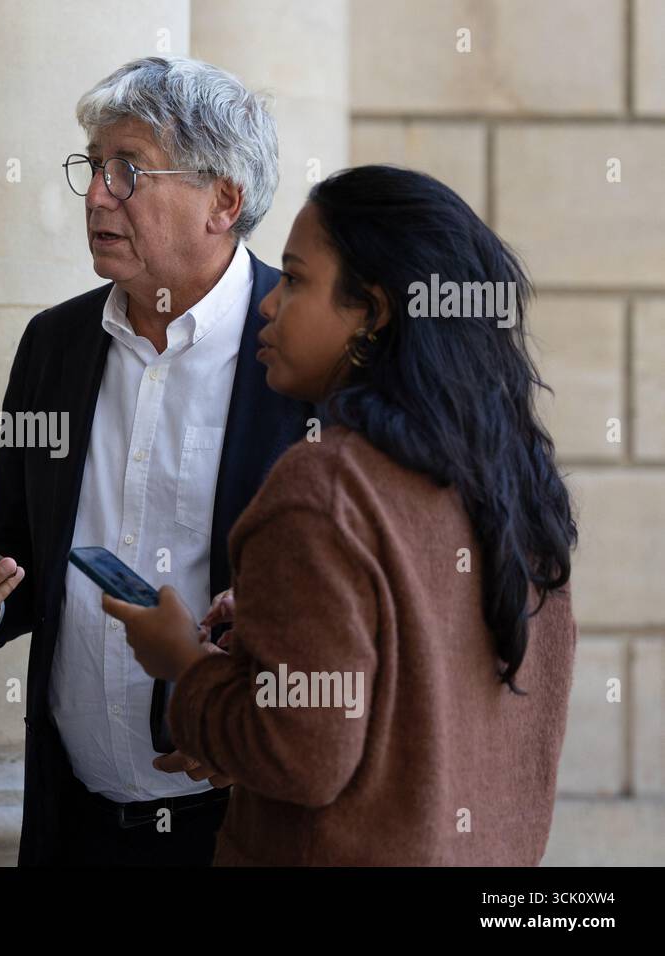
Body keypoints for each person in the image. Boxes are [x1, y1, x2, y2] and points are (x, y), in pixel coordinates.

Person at [104, 165, 579, 865]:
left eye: (295, 280)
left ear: (374, 311)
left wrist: (184, 663)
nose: (268, 305)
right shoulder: (516, 482)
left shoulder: (326, 490)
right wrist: (271, 632)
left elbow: (302, 754)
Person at [0, 56, 312, 865]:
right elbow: (22, 553)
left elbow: (340, 613)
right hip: (74, 821)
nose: (96, 195)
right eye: (92, 168)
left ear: (224, 200)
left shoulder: (301, 352)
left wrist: (247, 717)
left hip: (244, 825)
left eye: (128, 170)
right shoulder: (52, 346)